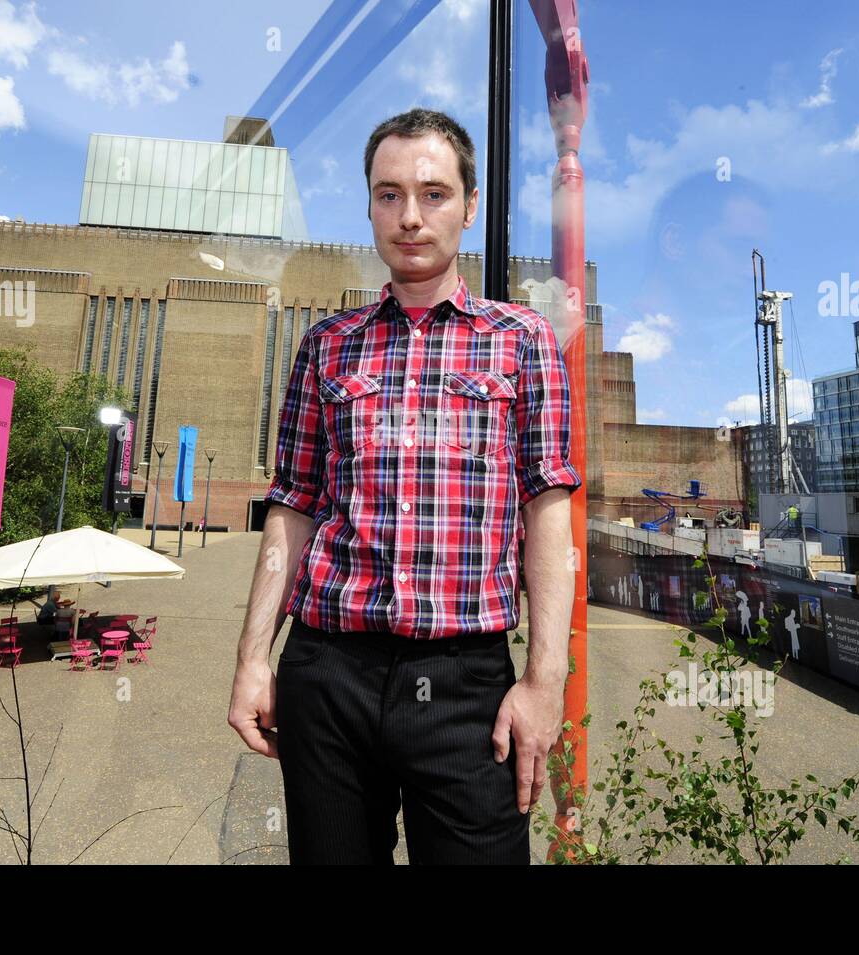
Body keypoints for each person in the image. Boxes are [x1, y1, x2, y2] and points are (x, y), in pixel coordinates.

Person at [227, 108, 581, 865]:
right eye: (389, 195)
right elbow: (291, 508)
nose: (410, 217)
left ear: (471, 204)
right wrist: (253, 658)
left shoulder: (522, 342)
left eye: (433, 193)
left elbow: (548, 519)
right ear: (368, 206)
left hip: (466, 689)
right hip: (328, 673)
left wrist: (543, 682)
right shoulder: (327, 346)